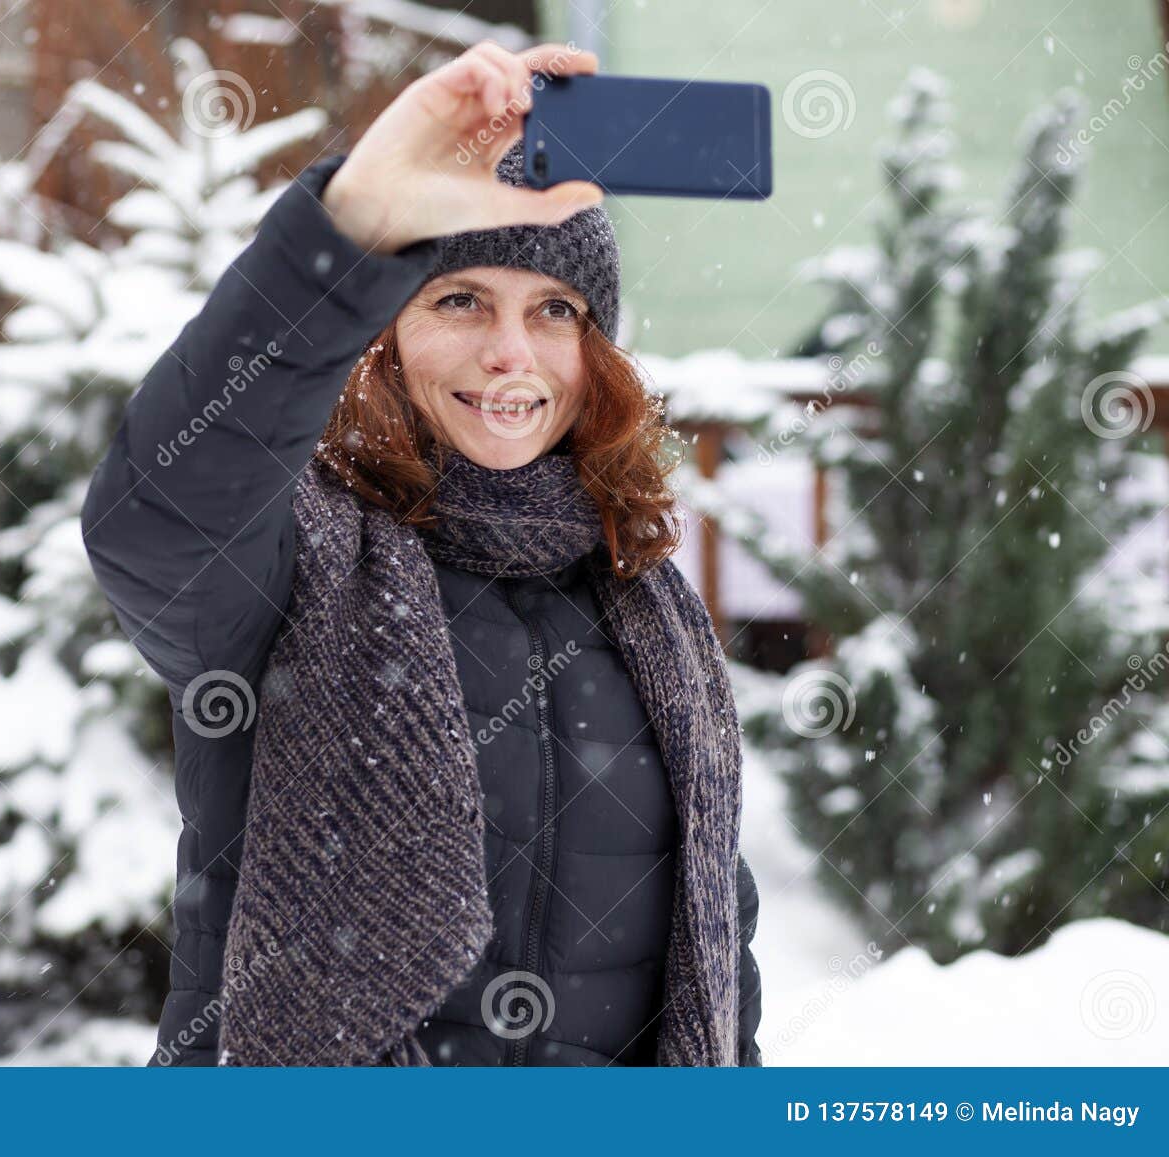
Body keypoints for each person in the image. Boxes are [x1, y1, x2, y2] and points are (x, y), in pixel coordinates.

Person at [81, 39, 763, 1067]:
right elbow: (156, 520)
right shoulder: (291, 561)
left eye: (554, 312)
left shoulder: (645, 606)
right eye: (459, 301)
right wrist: (355, 226)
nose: (511, 353)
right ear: (382, 336)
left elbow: (715, 964)